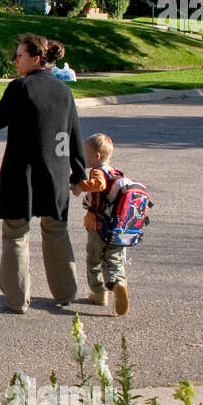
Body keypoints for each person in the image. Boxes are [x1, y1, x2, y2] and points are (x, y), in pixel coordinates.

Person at [0, 34, 88, 313]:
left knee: (15, 233)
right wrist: (78, 173)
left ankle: (17, 298)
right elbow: (73, 134)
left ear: (36, 59)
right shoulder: (64, 91)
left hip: (21, 174)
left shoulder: (20, 87)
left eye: (20, 56)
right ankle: (65, 292)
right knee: (55, 230)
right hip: (56, 173)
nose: (15, 60)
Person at [77, 133, 130, 315]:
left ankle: (99, 294)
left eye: (86, 154)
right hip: (117, 227)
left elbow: (98, 185)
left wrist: (81, 185)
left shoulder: (97, 171)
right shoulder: (117, 173)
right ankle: (118, 283)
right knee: (114, 260)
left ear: (97, 156)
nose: (83, 157)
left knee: (94, 260)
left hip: (97, 226)